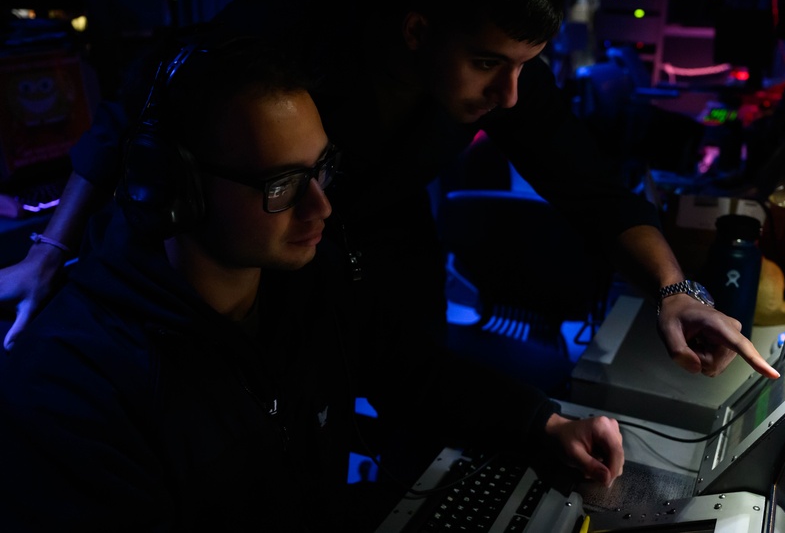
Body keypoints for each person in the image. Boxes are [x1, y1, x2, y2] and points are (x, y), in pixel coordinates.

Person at [0, 0, 780, 386]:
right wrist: (46, 251)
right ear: (417, 31)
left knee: (418, 377)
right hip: (252, 250)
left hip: (383, 225)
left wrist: (678, 291)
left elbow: (592, 188)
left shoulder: (493, 65)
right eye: (488, 67)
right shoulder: (283, 34)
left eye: (524, 69)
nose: (508, 97)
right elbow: (131, 109)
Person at [0, 32, 625, 531]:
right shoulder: (70, 387)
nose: (322, 207)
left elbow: (409, 371)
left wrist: (543, 426)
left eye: (322, 169)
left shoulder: (302, 285)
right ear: (176, 192)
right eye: (282, 184)